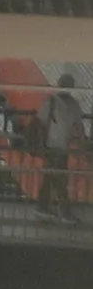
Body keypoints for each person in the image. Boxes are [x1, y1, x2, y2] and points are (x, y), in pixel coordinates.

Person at [46, 75, 85, 217]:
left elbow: (40, 120)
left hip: (55, 145)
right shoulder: (71, 104)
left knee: (53, 176)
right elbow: (78, 126)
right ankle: (62, 208)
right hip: (56, 146)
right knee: (58, 176)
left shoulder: (52, 102)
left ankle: (48, 207)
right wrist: (81, 140)